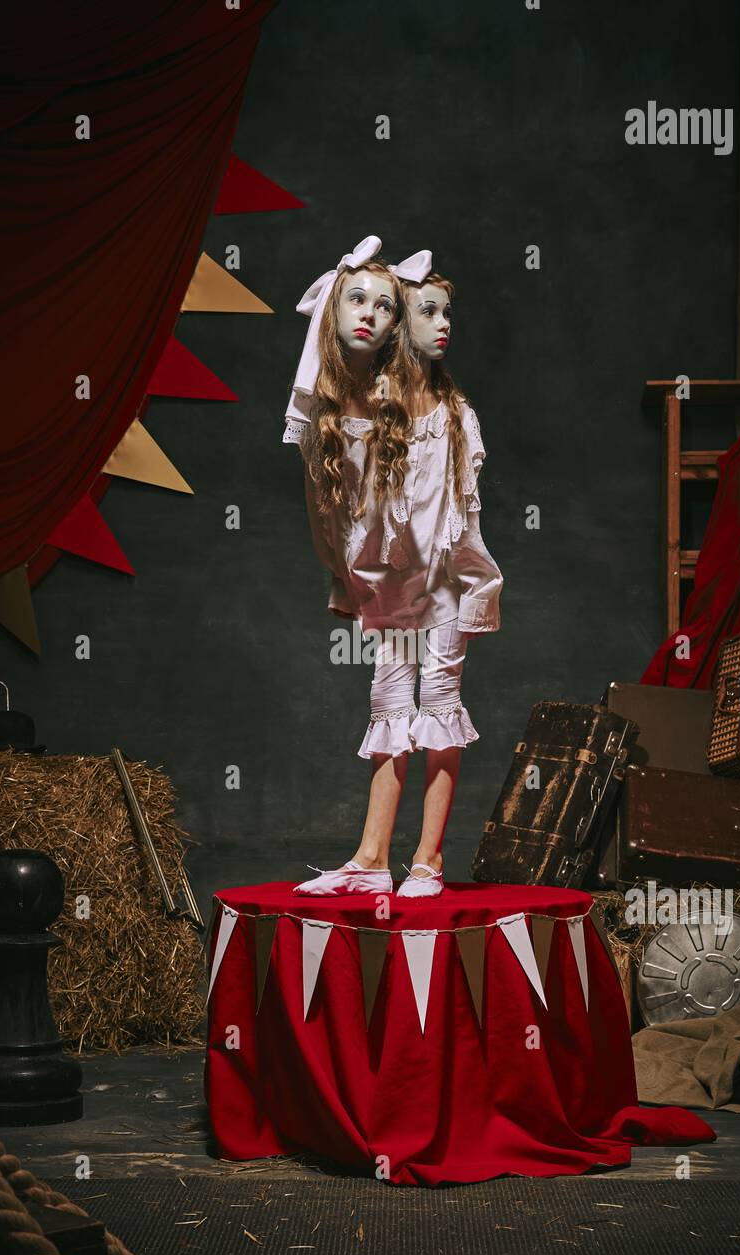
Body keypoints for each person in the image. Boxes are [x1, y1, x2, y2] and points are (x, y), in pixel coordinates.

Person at [283, 240, 503, 897]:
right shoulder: (347, 406)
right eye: (359, 302)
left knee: (436, 701)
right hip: (392, 587)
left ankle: (428, 862)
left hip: (444, 583)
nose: (443, 327)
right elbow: (344, 517)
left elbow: (446, 520)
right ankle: (373, 858)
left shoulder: (440, 412)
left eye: (389, 306)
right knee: (386, 701)